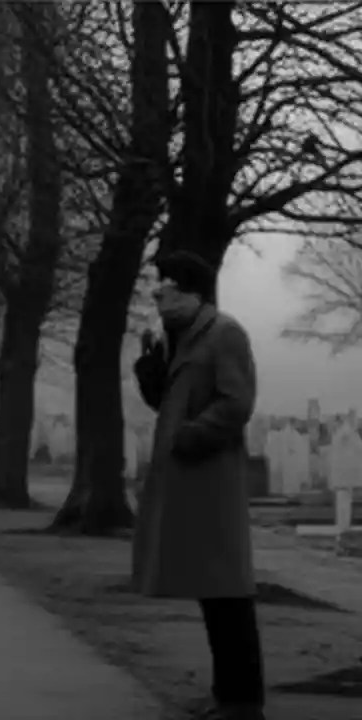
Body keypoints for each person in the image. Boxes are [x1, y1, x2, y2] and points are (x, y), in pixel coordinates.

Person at [132, 250, 265, 720]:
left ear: (190, 288)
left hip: (211, 476)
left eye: (166, 283)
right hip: (189, 478)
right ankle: (225, 694)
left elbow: (235, 403)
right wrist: (151, 381)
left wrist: (191, 438)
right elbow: (174, 403)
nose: (158, 292)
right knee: (212, 592)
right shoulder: (181, 339)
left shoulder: (224, 334)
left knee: (227, 591)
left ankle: (244, 702)